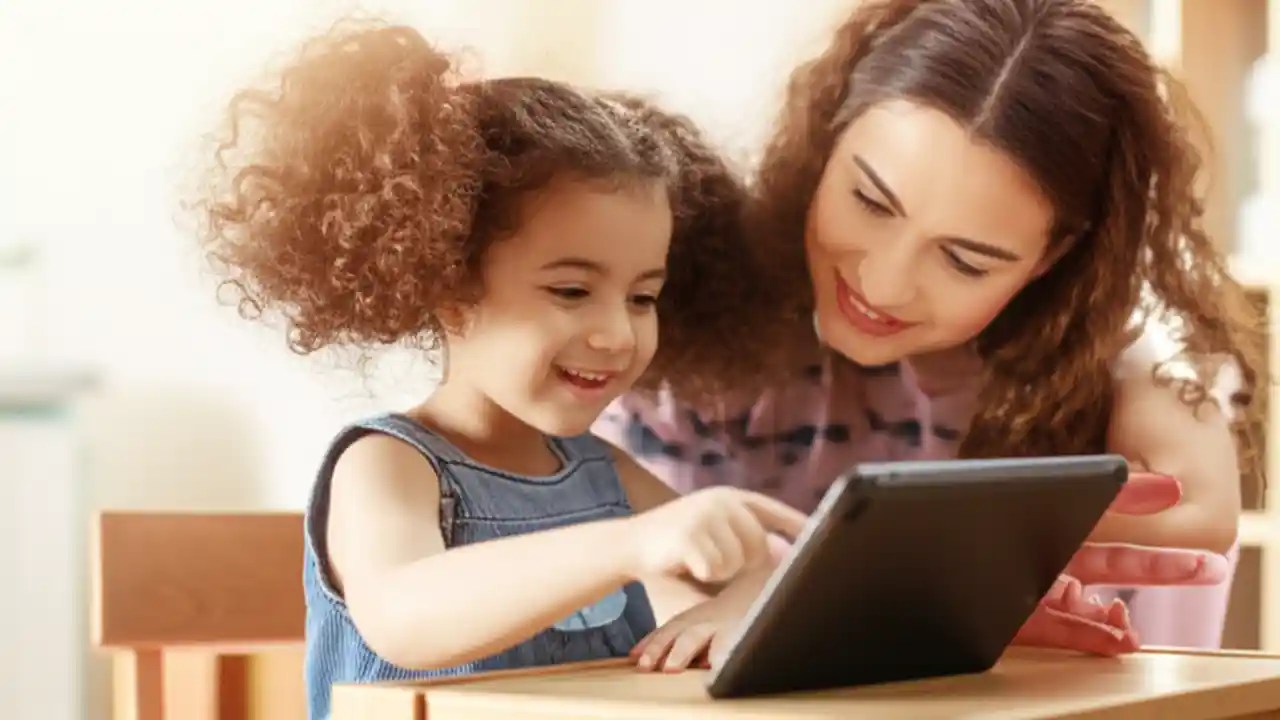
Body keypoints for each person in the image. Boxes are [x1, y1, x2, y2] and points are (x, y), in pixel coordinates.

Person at [596, 0, 1264, 668]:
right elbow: (602, 570)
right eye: (870, 202)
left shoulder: (1114, 358)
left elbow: (1191, 523)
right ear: (829, 138)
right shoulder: (690, 305)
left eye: (965, 260)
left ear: (1052, 260)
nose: (883, 285)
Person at [189, 20, 808, 719]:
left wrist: (740, 604)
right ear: (447, 285)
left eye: (642, 297)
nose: (616, 333)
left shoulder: (599, 473)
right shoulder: (387, 465)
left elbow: (756, 568)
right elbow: (404, 616)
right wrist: (631, 545)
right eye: (571, 291)